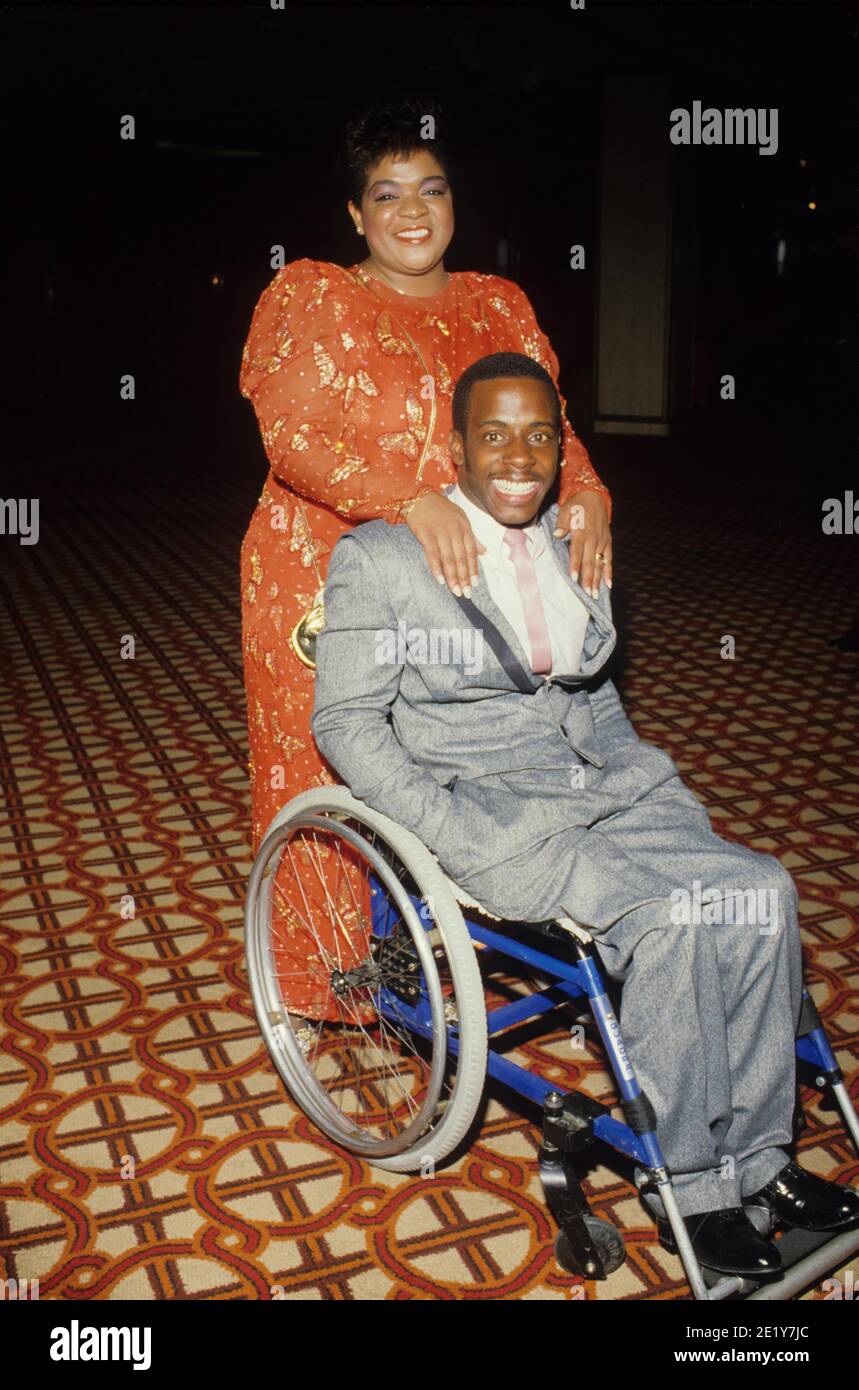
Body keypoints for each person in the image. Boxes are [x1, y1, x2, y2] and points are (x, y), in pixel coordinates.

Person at [311, 351, 859, 1281]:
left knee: (760, 892)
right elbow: (347, 725)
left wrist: (645, 783)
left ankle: (763, 1165)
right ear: (456, 449)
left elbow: (592, 697)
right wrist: (443, 828)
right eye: (493, 434)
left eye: (538, 435)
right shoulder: (383, 559)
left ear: (561, 449)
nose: (517, 455)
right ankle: (691, 1184)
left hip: (600, 786)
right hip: (488, 809)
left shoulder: (577, 542)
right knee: (677, 922)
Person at [238, 100, 612, 1018]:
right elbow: (291, 437)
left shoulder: (499, 302)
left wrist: (591, 491)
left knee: (469, 755)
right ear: (356, 215)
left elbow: (547, 421)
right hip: (320, 572)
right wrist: (409, 501)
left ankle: (450, 941)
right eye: (387, 193)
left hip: (472, 573)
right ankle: (326, 982)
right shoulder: (313, 293)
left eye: (431, 189)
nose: (413, 210)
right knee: (330, 763)